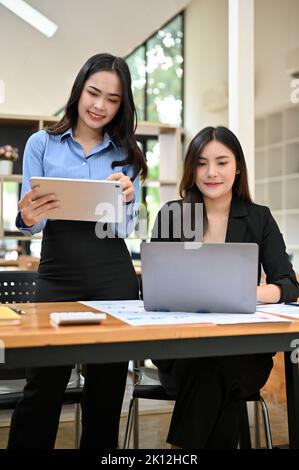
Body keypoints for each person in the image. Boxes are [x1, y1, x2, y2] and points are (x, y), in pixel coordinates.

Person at [8, 53, 147, 449]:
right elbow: (32, 222)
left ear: (122, 105)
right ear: (79, 90)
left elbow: (124, 229)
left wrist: (129, 198)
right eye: (94, 92)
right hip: (58, 273)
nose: (100, 105)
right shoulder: (41, 143)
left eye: (113, 99)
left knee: (105, 392)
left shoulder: (126, 154)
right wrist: (28, 214)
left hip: (112, 273)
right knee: (43, 387)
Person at [151, 126, 299, 449]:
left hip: (243, 351)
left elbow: (288, 285)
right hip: (181, 351)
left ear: (238, 167)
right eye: (202, 163)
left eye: (221, 162)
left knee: (217, 365)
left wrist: (254, 294)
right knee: (213, 368)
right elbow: (154, 288)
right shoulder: (172, 216)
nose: (211, 172)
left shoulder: (259, 218)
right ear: (192, 169)